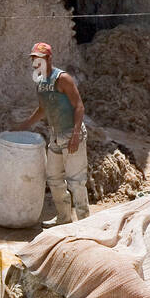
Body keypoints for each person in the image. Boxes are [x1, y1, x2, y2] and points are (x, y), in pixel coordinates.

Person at [13, 42, 89, 224]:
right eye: (33, 59)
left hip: (71, 133)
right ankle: (63, 218)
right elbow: (42, 109)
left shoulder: (62, 78)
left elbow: (79, 106)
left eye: (38, 58)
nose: (35, 62)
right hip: (55, 134)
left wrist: (76, 135)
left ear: (48, 58)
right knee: (54, 179)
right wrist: (24, 125)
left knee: (76, 182)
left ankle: (85, 223)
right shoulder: (39, 81)